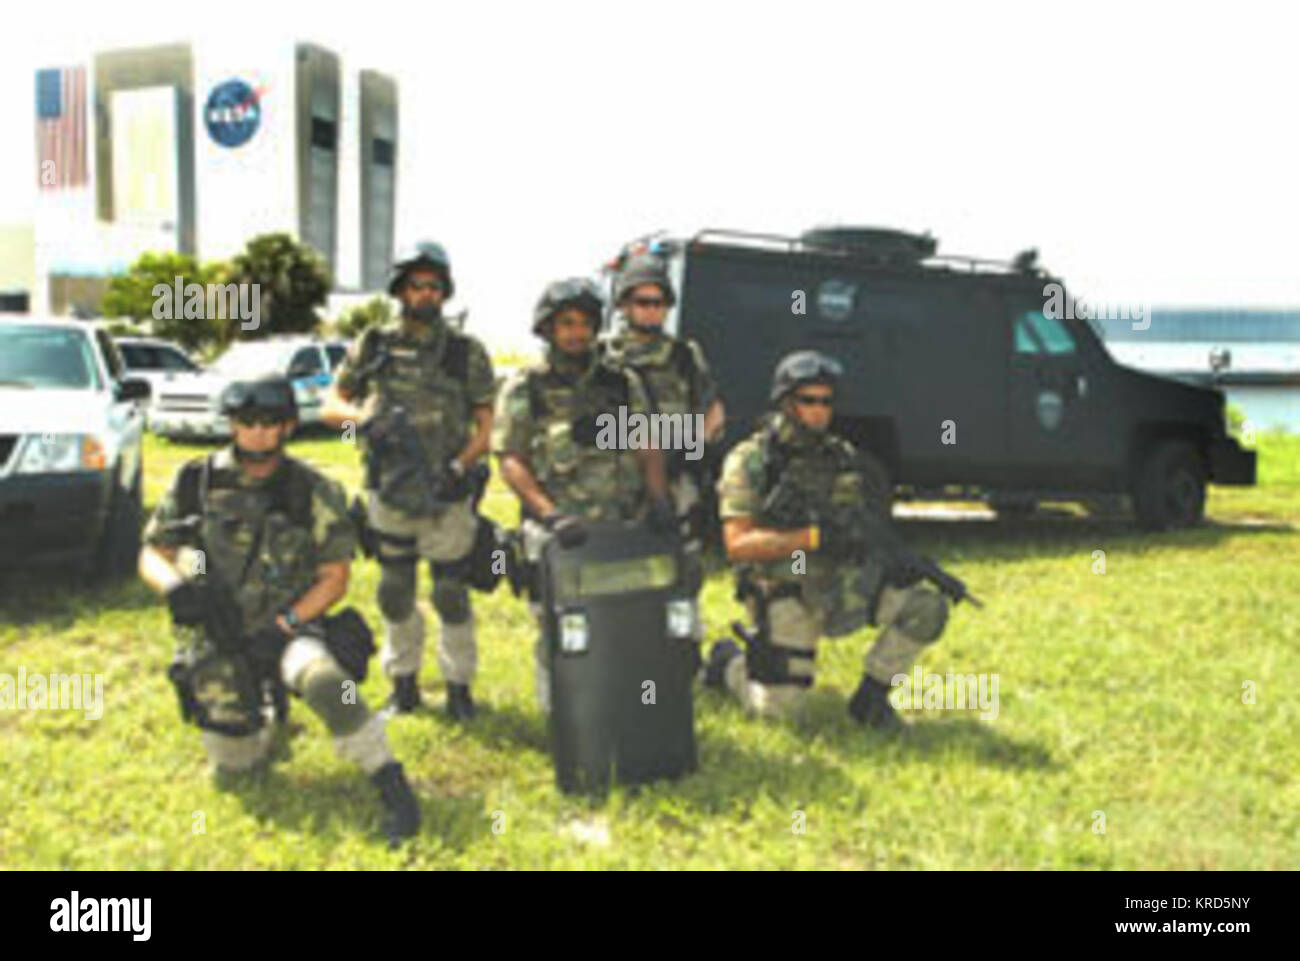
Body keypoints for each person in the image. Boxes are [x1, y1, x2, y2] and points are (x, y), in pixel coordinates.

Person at [139, 375, 419, 845]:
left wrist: (284, 624)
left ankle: (390, 780)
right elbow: (154, 552)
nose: (257, 432)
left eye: (270, 421)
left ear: (288, 426)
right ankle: (267, 712)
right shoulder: (195, 481)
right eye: (247, 421)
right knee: (238, 767)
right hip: (221, 635)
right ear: (231, 424)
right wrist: (175, 588)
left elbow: (335, 578)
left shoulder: (312, 488)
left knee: (329, 685)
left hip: (290, 627)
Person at [703, 350, 952, 726]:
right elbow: (738, 544)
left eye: (826, 401)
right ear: (786, 402)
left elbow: (862, 525)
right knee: (779, 712)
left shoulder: (841, 456)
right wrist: (812, 538)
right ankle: (728, 664)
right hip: (785, 587)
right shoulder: (752, 459)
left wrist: (892, 561)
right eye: (809, 401)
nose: (820, 411)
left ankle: (871, 699)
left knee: (926, 606)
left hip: (840, 583)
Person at [322, 241, 495, 720]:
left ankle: (459, 688)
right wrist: (363, 421)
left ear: (445, 291)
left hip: (447, 491)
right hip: (391, 489)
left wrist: (460, 466)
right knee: (395, 590)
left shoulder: (464, 351)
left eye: (434, 286)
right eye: (416, 285)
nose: (425, 294)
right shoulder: (374, 345)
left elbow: (488, 425)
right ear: (400, 290)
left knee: (450, 593)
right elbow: (331, 404)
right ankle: (403, 687)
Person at [491, 277, 673, 712]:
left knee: (623, 622)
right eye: (567, 324)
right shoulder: (526, 387)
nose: (577, 333)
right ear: (548, 329)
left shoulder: (622, 383)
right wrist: (551, 515)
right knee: (562, 631)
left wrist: (659, 500)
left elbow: (647, 444)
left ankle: (624, 711)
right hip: (560, 534)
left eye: (585, 324)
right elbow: (511, 459)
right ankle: (562, 718)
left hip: (618, 527)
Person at [602, 253, 725, 607]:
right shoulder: (604, 355)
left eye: (660, 303)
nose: (653, 311)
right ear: (624, 304)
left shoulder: (685, 355)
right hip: (619, 479)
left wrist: (695, 445)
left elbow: (713, 410)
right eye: (644, 302)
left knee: (682, 570)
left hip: (677, 478)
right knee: (618, 572)